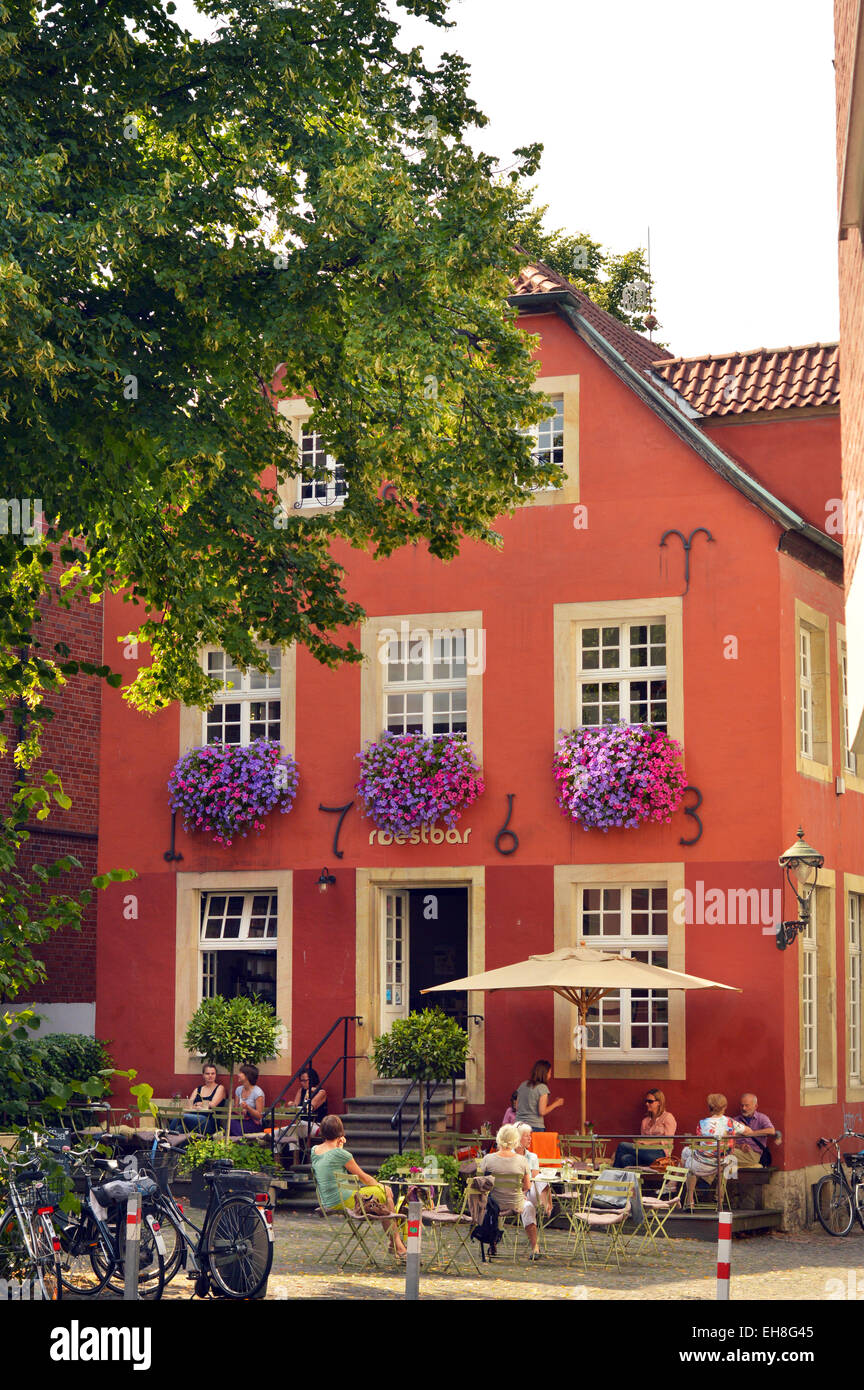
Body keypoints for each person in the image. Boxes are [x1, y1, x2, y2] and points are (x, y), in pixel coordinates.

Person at [310, 1115, 407, 1256]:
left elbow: (332, 1157)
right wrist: (381, 1186)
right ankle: (397, 1244)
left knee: (384, 1197)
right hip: (345, 1200)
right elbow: (365, 1178)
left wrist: (339, 1146)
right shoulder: (341, 1154)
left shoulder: (315, 1151)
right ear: (340, 1132)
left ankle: (395, 1243)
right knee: (386, 1193)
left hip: (327, 1201)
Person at [680, 1093, 755, 1206]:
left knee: (686, 1153)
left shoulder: (702, 1123)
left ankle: (688, 1198)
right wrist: (736, 1134)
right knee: (727, 1159)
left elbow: (699, 1142)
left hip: (701, 1165)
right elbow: (749, 1131)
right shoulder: (730, 1122)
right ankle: (719, 1200)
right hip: (722, 1164)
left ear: (709, 1107)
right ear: (724, 1107)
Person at [480, 1123, 540, 1260]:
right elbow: (527, 1186)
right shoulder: (522, 1161)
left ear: (499, 1139)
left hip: (494, 1204)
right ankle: (534, 1247)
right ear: (515, 1141)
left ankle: (492, 1243)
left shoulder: (487, 1159)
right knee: (529, 1206)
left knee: (490, 1208)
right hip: (516, 1204)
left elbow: (482, 1184)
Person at [612, 1089, 677, 1169]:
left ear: (659, 1103)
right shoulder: (645, 1121)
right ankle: (630, 1180)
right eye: (646, 1101)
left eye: (650, 1101)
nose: (647, 1104)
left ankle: (612, 1175)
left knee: (622, 1145)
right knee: (625, 1158)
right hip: (645, 1152)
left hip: (660, 1154)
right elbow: (643, 1141)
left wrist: (648, 1143)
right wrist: (641, 1143)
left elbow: (669, 1140)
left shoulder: (668, 1117)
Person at [276, 1067, 328, 1161]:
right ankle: (278, 1166)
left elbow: (309, 1108)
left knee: (293, 1129)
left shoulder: (321, 1092)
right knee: (277, 1133)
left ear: (312, 1079)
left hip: (315, 1125)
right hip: (301, 1125)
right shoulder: (301, 1090)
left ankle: (296, 1163)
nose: (302, 1083)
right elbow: (296, 1107)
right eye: (301, 1081)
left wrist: (309, 1093)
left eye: (304, 1080)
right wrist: (292, 1105)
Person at [169, 1063, 226, 1136]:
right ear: (203, 1075)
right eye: (207, 1073)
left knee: (180, 1117)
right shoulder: (197, 1089)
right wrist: (196, 1106)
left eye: (213, 1073)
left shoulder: (220, 1088)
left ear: (216, 1075)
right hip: (193, 1121)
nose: (210, 1076)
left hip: (209, 1122)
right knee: (180, 1128)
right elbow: (188, 1105)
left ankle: (165, 1138)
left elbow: (212, 1104)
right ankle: (172, 1145)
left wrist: (199, 1104)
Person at [516, 1122, 553, 1229]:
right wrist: (519, 1194)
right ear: (518, 1138)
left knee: (540, 1177)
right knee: (528, 1207)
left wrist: (525, 1192)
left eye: (530, 1136)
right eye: (526, 1136)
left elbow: (534, 1180)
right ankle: (548, 1208)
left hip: (531, 1193)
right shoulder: (510, 1156)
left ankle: (547, 1205)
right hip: (514, 1194)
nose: (530, 1139)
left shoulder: (532, 1157)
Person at [515, 1060, 564, 1132]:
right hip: (534, 1127)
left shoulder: (523, 1085)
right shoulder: (542, 1088)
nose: (550, 1076)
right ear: (544, 1074)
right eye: (550, 1073)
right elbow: (542, 1112)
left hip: (518, 1126)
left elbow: (517, 1107)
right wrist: (556, 1104)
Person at [733, 1093, 778, 1168]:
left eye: (747, 1105)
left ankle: (708, 1179)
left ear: (755, 1106)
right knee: (721, 1153)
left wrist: (751, 1133)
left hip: (753, 1154)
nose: (743, 1108)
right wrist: (739, 1146)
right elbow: (729, 1139)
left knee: (722, 1154)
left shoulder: (761, 1118)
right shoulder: (736, 1120)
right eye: (742, 1105)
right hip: (738, 1150)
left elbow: (771, 1131)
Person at [229, 1063, 265, 1136]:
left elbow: (259, 1116)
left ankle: (240, 1143)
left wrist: (248, 1108)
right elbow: (236, 1109)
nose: (238, 1075)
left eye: (240, 1073)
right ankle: (240, 1142)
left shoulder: (258, 1093)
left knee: (232, 1125)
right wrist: (239, 1110)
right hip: (240, 1120)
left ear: (247, 1076)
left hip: (253, 1123)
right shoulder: (238, 1090)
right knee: (231, 1121)